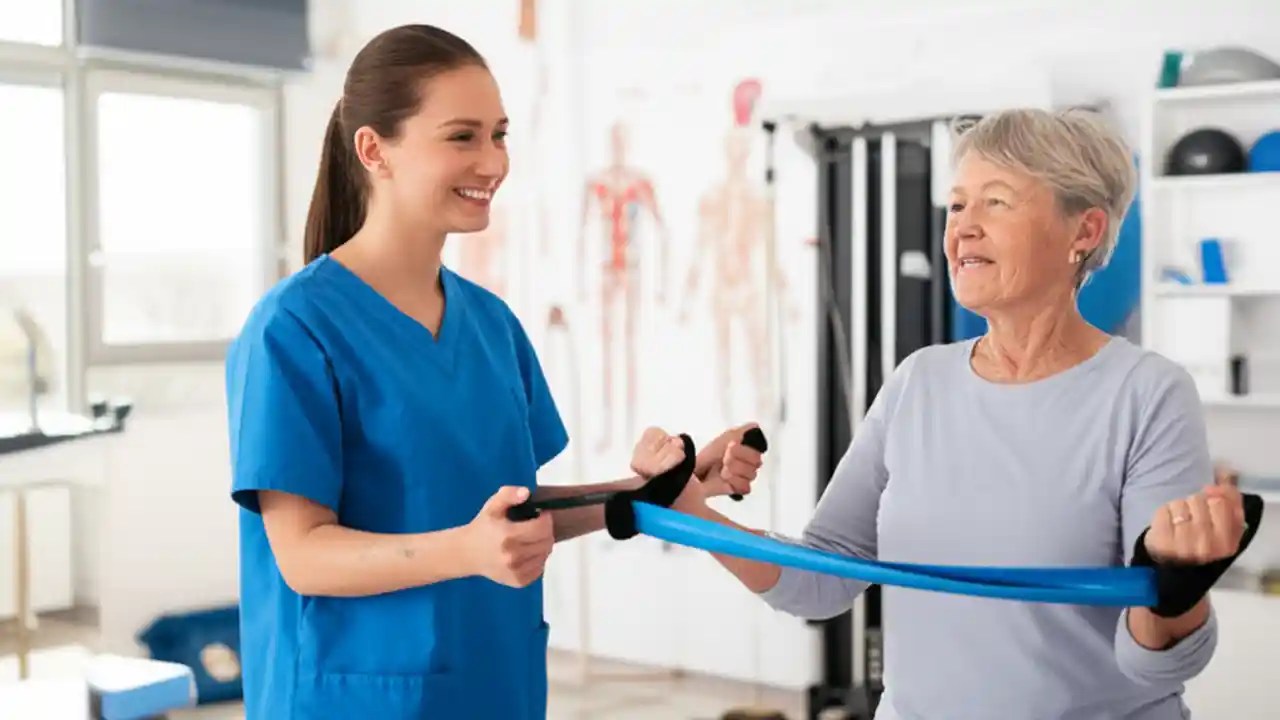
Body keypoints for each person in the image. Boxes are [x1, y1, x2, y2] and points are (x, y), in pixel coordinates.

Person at [223, 25, 761, 720]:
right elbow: (304, 556)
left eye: (499, 135)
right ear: (373, 150)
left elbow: (515, 516)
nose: (492, 162)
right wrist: (467, 551)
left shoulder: (490, 325)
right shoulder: (293, 329)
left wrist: (654, 490)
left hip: (493, 684)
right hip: (356, 696)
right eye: (463, 136)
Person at [660, 108, 1252, 718]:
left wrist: (1179, 592)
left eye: (996, 203)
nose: (963, 228)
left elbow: (1156, 660)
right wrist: (691, 511)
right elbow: (821, 580)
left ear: (1085, 231)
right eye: (958, 204)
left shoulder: (1147, 393)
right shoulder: (919, 381)